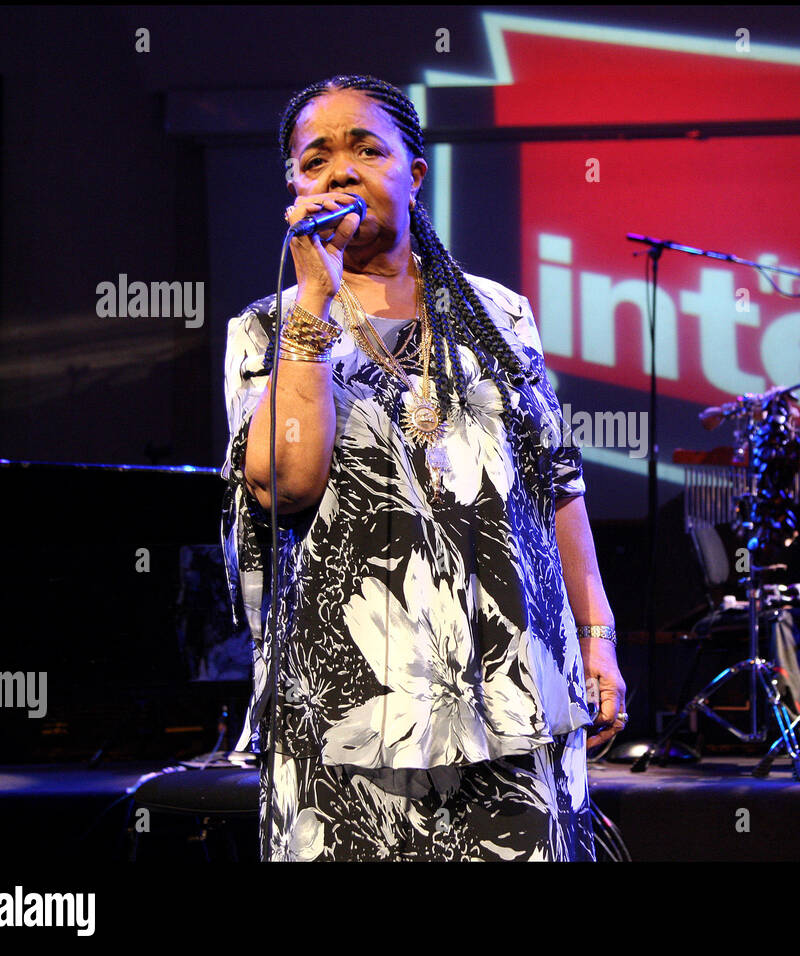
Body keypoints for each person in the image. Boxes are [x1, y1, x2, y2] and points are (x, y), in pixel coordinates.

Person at [220, 75, 626, 861]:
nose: (342, 171)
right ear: (295, 189)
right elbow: (287, 481)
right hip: (349, 709)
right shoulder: (268, 328)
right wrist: (313, 304)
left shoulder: (498, 314)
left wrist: (598, 638)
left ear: (415, 172)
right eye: (317, 159)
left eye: (368, 149)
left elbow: (556, 485)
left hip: (516, 694)